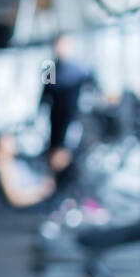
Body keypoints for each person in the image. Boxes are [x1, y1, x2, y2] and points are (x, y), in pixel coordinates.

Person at [39, 34, 93, 181]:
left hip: (73, 118)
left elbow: (91, 91)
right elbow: (45, 95)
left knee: (68, 151)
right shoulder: (49, 67)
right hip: (55, 118)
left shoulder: (81, 69)